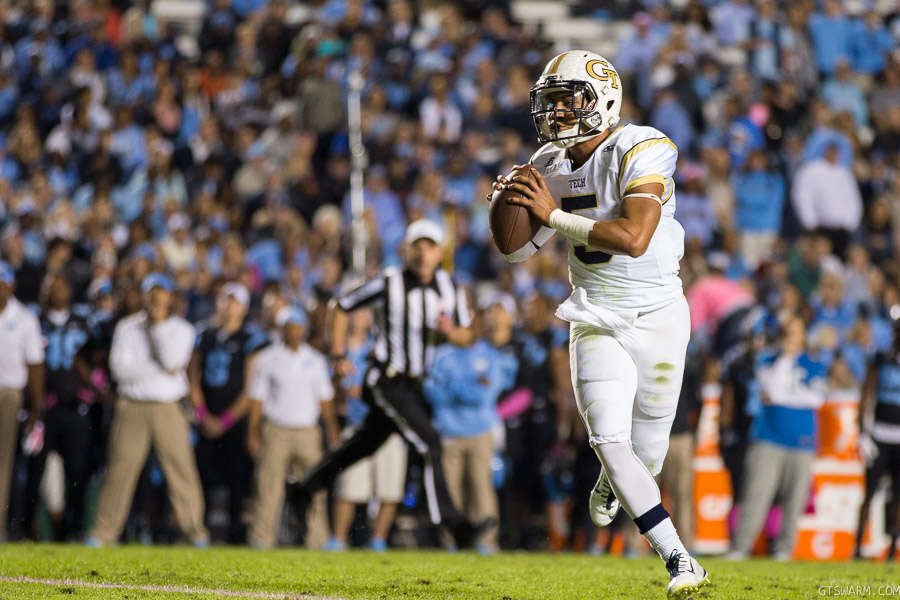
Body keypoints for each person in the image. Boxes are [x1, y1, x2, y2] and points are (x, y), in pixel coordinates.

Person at [490, 51, 707, 596]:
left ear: (604, 99)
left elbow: (633, 238)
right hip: (594, 312)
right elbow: (517, 250)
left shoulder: (643, 146)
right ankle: (680, 559)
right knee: (607, 435)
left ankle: (616, 480)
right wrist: (507, 208)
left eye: (569, 100)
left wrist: (551, 215)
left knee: (647, 455)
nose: (558, 112)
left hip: (658, 314)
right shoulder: (548, 161)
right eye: (551, 102)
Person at [288, 219, 484, 547]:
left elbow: (467, 335)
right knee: (429, 443)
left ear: (440, 253)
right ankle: (455, 527)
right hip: (386, 379)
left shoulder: (450, 287)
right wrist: (337, 354)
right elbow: (341, 306)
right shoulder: (389, 283)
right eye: (417, 246)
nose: (423, 254)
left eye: (429, 247)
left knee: (363, 445)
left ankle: (304, 488)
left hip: (415, 387)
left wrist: (451, 332)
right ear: (407, 251)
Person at [86, 273, 209, 548]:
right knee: (119, 470)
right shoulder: (127, 327)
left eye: (161, 291)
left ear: (170, 296)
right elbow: (120, 371)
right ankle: (104, 531)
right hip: (132, 405)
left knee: (181, 471)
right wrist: (156, 370)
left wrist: (156, 328)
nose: (155, 297)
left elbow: (172, 362)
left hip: (168, 406)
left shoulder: (182, 329)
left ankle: (195, 532)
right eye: (151, 291)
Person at [424, 295, 519, 553]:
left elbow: (484, 395)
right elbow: (432, 392)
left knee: (481, 489)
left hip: (480, 431)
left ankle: (486, 541)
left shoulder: (489, 354)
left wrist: (453, 386)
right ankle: (451, 542)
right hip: (448, 431)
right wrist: (468, 385)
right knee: (450, 491)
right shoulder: (442, 355)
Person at [726, 316, 826, 560]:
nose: (789, 338)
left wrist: (785, 397)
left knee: (795, 499)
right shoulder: (768, 359)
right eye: (786, 333)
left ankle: (784, 548)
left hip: (802, 441)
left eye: (794, 333)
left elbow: (817, 398)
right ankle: (741, 547)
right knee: (756, 495)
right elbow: (771, 390)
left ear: (802, 336)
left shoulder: (814, 363)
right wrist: (786, 360)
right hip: (768, 438)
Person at [246, 307, 339, 550]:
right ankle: (261, 537)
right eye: (290, 326)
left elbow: (325, 399)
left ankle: (317, 539)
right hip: (276, 429)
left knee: (315, 487)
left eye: (298, 326)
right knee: (268, 486)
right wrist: (253, 433)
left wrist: (332, 430)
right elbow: (256, 400)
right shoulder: (267, 359)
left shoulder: (316, 360)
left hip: (307, 430)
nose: (294, 331)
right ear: (282, 329)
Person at [189, 282, 266, 544]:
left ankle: (236, 534)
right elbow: (193, 377)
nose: (228, 306)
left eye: (234, 301)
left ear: (244, 307)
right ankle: (198, 531)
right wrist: (203, 415)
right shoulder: (205, 335)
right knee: (200, 476)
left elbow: (251, 387)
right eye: (225, 300)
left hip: (234, 421)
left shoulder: (250, 339)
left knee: (237, 479)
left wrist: (225, 421)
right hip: (206, 418)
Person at [325, 309, 407, 553]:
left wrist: (363, 391)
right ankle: (338, 538)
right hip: (356, 424)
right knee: (348, 487)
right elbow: (332, 393)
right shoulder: (341, 351)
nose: (359, 316)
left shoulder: (386, 348)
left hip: (388, 426)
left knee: (389, 488)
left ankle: (378, 539)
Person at [23, 275, 94, 540]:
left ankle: (74, 527)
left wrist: (91, 388)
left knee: (77, 469)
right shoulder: (34, 321)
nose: (58, 291)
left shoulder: (83, 323)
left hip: (75, 408)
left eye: (63, 286)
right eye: (52, 286)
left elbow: (97, 360)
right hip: (43, 409)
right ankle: (26, 527)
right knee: (35, 470)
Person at [0, 262, 45, 542]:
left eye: (3, 281)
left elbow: (35, 366)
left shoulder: (25, 318)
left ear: (12, 284)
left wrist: (35, 409)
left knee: (3, 462)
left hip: (9, 394)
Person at [855, 317, 900, 560]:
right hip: (880, 434)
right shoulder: (881, 359)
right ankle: (857, 545)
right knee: (870, 490)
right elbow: (867, 394)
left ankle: (893, 546)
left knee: (897, 494)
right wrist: (863, 433)